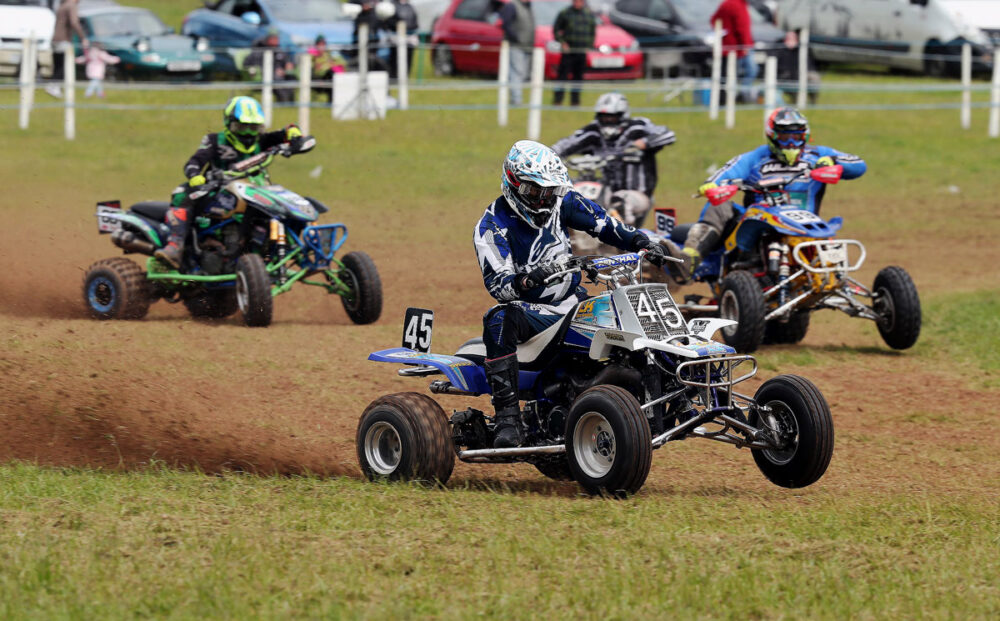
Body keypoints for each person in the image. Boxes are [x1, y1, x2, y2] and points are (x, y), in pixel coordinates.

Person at [474, 140, 670, 448]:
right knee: (498, 318)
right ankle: (508, 419)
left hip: (573, 302)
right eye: (535, 192)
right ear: (514, 184)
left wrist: (642, 242)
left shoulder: (563, 202)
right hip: (529, 312)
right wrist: (528, 280)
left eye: (549, 192)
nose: (543, 200)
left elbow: (605, 225)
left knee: (629, 312)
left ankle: (665, 394)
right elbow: (499, 284)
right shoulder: (492, 225)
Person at [681, 107, 867, 276]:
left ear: (805, 136)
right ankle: (690, 257)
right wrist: (712, 185)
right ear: (773, 136)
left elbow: (858, 164)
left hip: (805, 227)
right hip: (759, 225)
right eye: (785, 137)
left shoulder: (818, 154)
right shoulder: (756, 158)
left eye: (797, 136)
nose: (792, 143)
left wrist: (833, 162)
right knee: (719, 205)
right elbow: (727, 172)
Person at [154, 96, 305, 268]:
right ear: (229, 123)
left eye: (253, 127)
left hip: (257, 192)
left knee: (286, 207)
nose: (248, 133)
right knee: (182, 193)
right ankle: (175, 245)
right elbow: (194, 162)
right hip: (220, 193)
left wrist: (294, 133)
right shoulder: (214, 141)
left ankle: (292, 248)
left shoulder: (262, 140)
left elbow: (286, 132)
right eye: (241, 127)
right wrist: (196, 176)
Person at [552, 92, 676, 228]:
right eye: (604, 117)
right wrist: (548, 156)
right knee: (570, 196)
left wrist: (643, 143)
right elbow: (565, 144)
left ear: (622, 115)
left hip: (637, 194)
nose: (608, 121)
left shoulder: (638, 127)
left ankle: (627, 241)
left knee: (619, 200)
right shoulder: (593, 131)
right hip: (606, 189)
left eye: (612, 117)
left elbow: (667, 134)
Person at [710, 0, 756, 103]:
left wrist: (723, 32)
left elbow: (714, 20)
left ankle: (733, 97)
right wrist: (745, 45)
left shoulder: (726, 3)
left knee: (728, 74)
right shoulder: (737, 5)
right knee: (749, 71)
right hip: (738, 47)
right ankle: (741, 96)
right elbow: (741, 27)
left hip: (728, 46)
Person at [551, 0, 595, 106]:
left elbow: (592, 32)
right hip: (568, 52)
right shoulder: (565, 13)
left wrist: (589, 45)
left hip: (581, 52)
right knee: (562, 76)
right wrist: (562, 42)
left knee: (578, 77)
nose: (578, 3)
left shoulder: (588, 14)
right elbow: (556, 29)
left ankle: (575, 101)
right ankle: (558, 100)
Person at [47, 0, 89, 98]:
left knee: (57, 65)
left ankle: (53, 85)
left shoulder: (62, 5)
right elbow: (74, 22)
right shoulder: (71, 6)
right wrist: (83, 37)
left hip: (54, 39)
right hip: (64, 40)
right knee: (65, 65)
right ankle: (54, 86)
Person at [498, 0, 535, 106]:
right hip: (516, 46)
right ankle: (516, 100)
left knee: (523, 74)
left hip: (528, 46)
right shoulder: (512, 6)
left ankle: (517, 98)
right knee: (516, 72)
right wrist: (516, 37)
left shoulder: (528, 7)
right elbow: (506, 24)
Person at [243, 29, 296, 103]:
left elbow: (287, 62)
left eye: (277, 38)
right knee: (276, 79)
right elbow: (247, 63)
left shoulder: (279, 51)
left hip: (280, 75)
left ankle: (291, 102)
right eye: (273, 38)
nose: (275, 41)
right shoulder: (259, 51)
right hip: (262, 77)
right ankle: (283, 101)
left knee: (291, 77)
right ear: (268, 39)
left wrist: (287, 67)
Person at [308, 35, 347, 101]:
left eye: (323, 44)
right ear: (316, 45)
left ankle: (332, 101)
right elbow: (314, 69)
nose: (321, 46)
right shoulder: (312, 55)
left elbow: (342, 63)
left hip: (328, 77)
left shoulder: (329, 54)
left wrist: (332, 63)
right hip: (317, 79)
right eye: (319, 44)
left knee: (332, 75)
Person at [386, 0, 419, 78]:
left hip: (409, 37)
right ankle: (394, 77)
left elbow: (415, 21)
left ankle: (405, 76)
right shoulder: (392, 5)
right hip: (396, 37)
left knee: (408, 58)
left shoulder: (410, 6)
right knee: (395, 59)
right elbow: (389, 21)